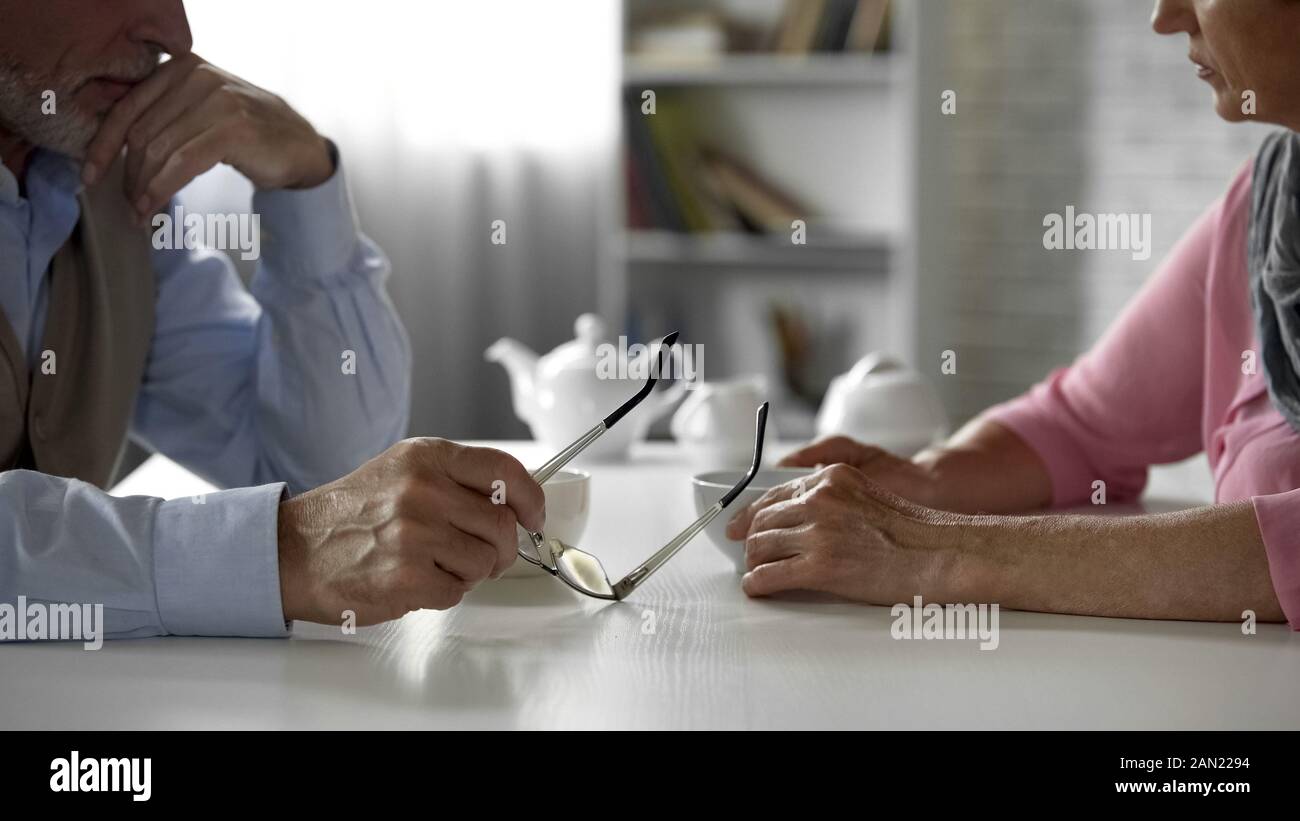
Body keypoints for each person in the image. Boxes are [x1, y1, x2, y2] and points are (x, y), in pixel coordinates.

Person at [728, 0, 1300, 629]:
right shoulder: (1269, 204)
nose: (1166, 17)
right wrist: (921, 482)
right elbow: (1081, 421)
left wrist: (934, 552)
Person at [0, 0, 544, 640]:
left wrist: (304, 182)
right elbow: (315, 539)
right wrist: (276, 552)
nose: (174, 35)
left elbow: (322, 477)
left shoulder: (115, 187)